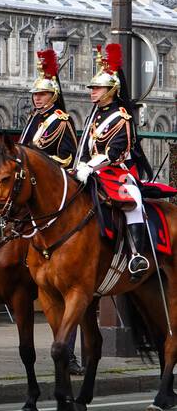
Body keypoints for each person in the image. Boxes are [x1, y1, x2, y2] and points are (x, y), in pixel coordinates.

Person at [74, 42, 151, 279]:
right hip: (92, 170)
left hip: (118, 172)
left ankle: (137, 255)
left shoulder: (122, 117)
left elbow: (116, 152)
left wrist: (90, 166)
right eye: (92, 88)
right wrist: (81, 164)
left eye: (97, 88)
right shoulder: (94, 116)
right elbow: (85, 146)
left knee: (133, 202)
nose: (92, 92)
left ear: (111, 90)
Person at [18, 48, 77, 165]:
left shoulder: (61, 121)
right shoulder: (33, 117)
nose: (37, 98)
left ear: (53, 95)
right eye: (35, 94)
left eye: (42, 94)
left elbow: (67, 158)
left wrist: (39, 161)